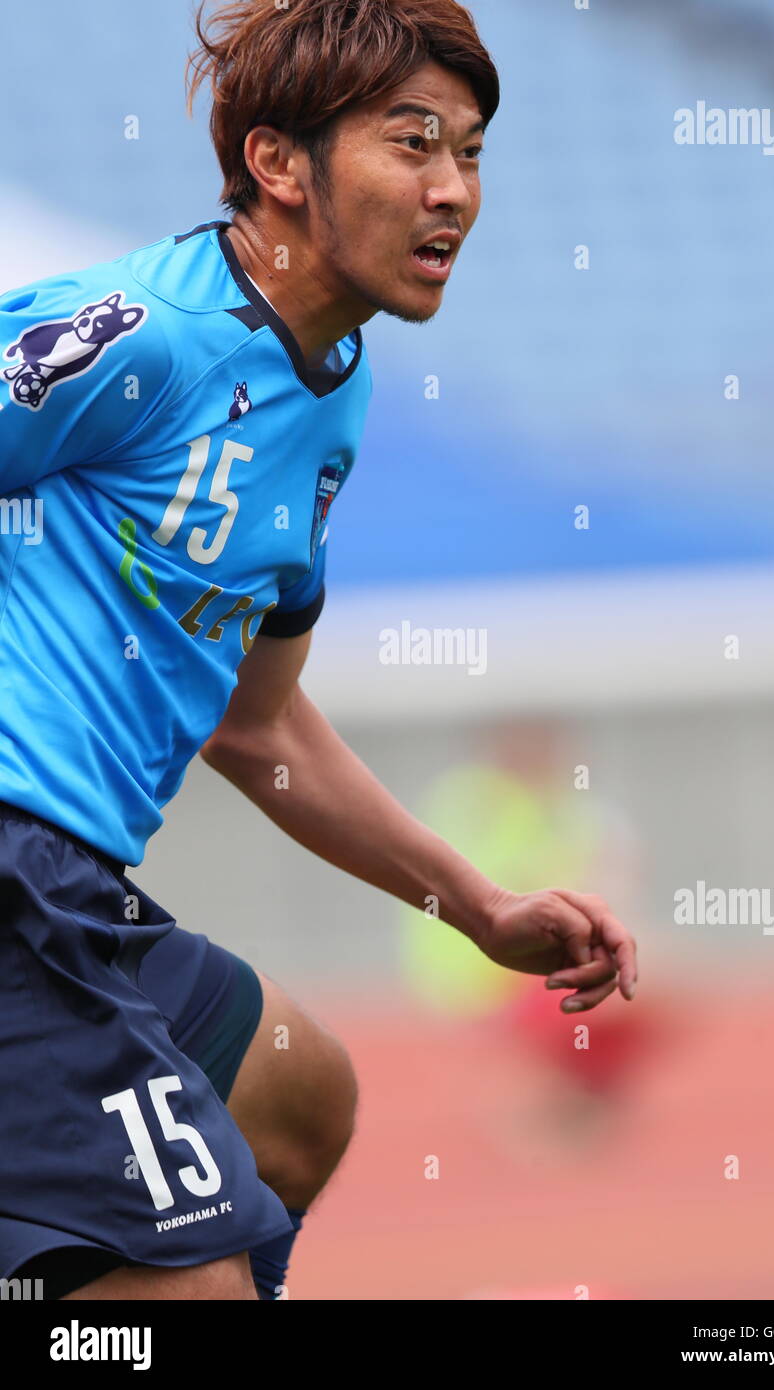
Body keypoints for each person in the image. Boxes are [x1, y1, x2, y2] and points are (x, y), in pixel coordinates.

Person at [0, 0, 636, 1302]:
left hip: (69, 885)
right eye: (412, 146)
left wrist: (480, 907)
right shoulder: (142, 339)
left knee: (293, 1089)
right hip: (14, 875)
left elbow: (260, 724)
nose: (452, 191)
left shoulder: (329, 392)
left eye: (468, 151)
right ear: (281, 166)